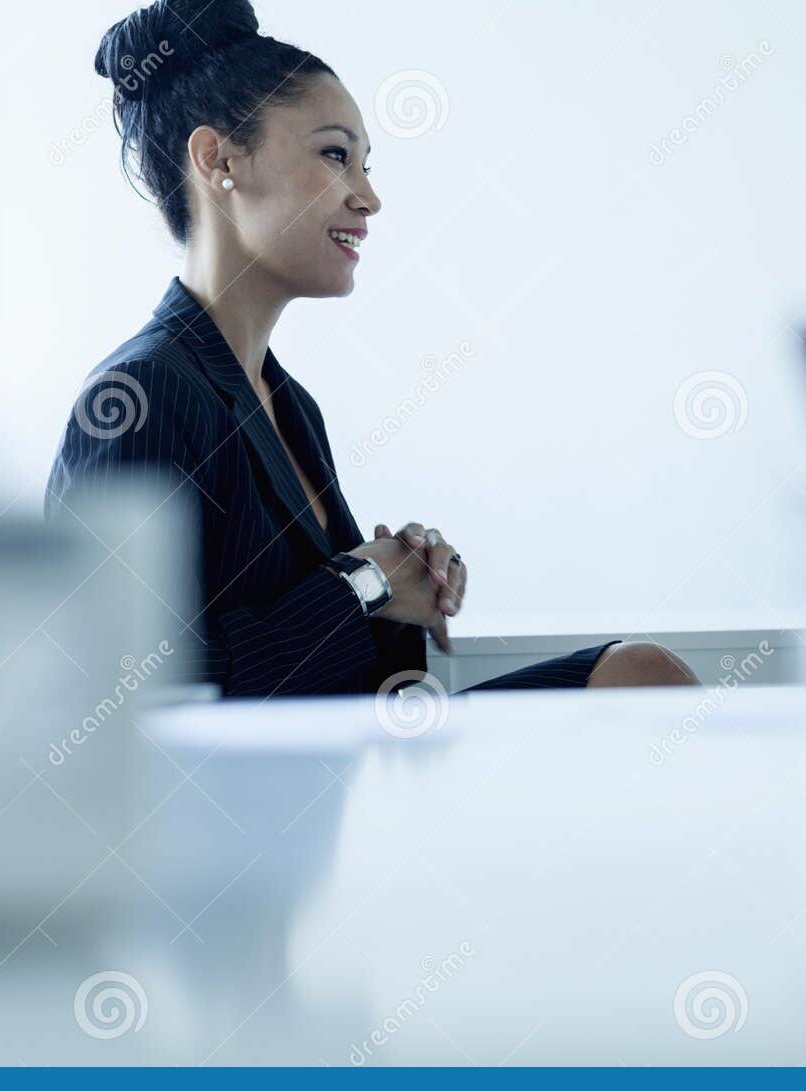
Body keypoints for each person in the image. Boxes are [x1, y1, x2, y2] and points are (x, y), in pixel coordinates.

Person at [46, 0, 696, 698]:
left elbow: (360, 672)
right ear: (219, 160)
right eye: (335, 155)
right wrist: (364, 580)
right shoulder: (141, 396)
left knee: (641, 673)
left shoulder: (290, 403)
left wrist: (407, 586)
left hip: (343, 766)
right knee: (643, 677)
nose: (369, 197)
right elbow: (122, 687)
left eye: (365, 163)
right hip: (250, 801)